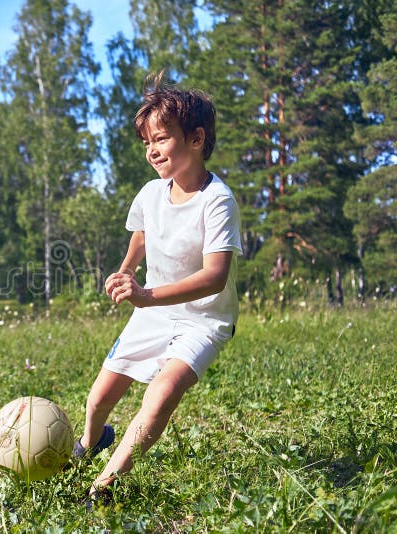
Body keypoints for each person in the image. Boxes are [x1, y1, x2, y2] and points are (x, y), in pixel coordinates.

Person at [73, 71, 242, 503]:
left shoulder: (217, 201)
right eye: (147, 141)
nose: (151, 150)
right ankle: (90, 444)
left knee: (162, 392)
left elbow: (214, 277)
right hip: (154, 313)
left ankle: (104, 486)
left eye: (161, 138)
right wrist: (128, 269)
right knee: (97, 400)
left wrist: (145, 295)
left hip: (203, 321)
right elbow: (143, 234)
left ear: (197, 139)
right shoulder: (151, 193)